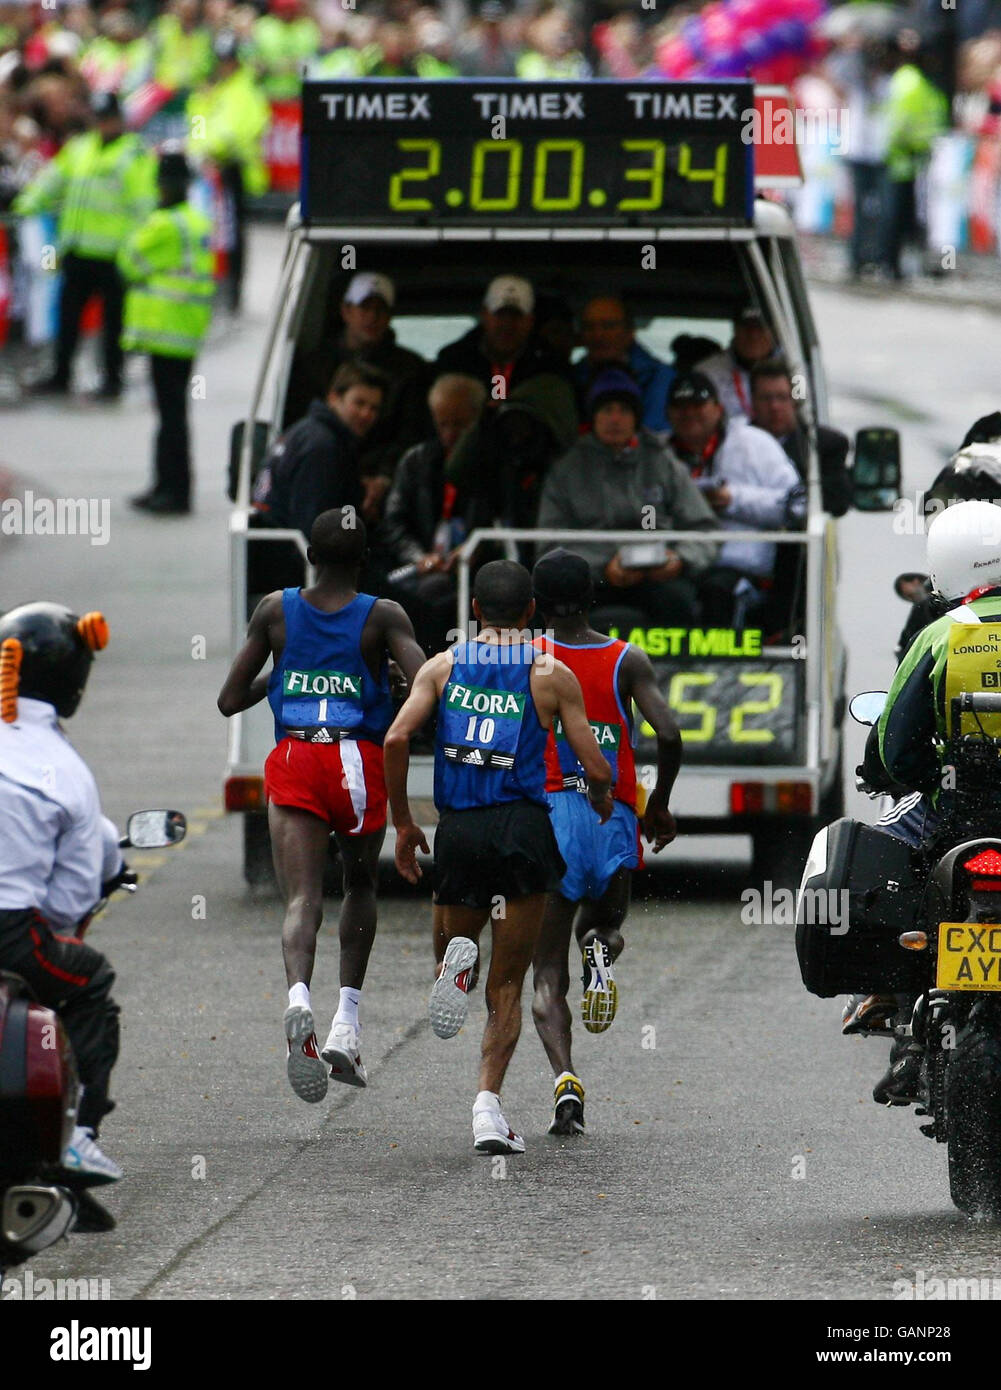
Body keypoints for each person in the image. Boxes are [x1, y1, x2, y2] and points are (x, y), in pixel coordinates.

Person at [383, 560, 614, 1154]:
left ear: (475, 610)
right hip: (523, 832)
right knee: (508, 983)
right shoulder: (550, 673)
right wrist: (602, 796)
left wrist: (404, 822)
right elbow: (594, 765)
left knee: (451, 946)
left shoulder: (442, 667)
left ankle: (454, 967)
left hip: (461, 829)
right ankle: (488, 1110)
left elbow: (396, 738)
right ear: (531, 612)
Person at [217, 509, 425, 1100]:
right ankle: (345, 1026)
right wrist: (390, 682)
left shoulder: (275, 610)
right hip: (356, 762)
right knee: (359, 883)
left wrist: (285, 674)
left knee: (302, 897)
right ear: (365, 561)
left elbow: (230, 699)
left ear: (310, 557)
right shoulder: (384, 615)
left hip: (297, 758)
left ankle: (298, 1000)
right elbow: (430, 686)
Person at [849, 500, 1001, 1102]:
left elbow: (895, 748)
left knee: (890, 868)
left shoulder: (940, 635)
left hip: (957, 814)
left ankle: (900, 1016)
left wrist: (923, 777)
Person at [530, 550, 680, 1135]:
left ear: (536, 604)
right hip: (612, 815)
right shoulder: (626, 659)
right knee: (604, 926)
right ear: (594, 596)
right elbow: (669, 732)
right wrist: (658, 803)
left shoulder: (530, 658)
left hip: (552, 817)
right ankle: (600, 950)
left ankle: (565, 1079)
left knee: (546, 971)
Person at [0, 603, 126, 1183]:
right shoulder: (63, 769)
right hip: (10, 933)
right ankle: (78, 1138)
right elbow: (70, 904)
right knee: (90, 980)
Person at [537, 368, 719, 631]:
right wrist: (602, 567)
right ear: (593, 417)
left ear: (636, 418)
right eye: (606, 410)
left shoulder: (662, 460)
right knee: (560, 603)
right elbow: (548, 545)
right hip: (591, 578)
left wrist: (680, 559)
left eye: (623, 410)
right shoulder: (567, 468)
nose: (615, 419)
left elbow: (705, 529)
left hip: (658, 577)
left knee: (679, 601)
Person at [13, 90, 157, 398]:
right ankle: (61, 375)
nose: (104, 124)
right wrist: (24, 205)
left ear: (119, 120)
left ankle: (112, 381)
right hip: (77, 250)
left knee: (113, 324)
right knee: (68, 318)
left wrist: (137, 251)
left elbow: (144, 208)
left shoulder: (133, 155)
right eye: (100, 118)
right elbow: (51, 181)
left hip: (115, 254)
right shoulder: (80, 148)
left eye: (109, 119)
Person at [665, 371, 804, 628]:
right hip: (677, 563)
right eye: (681, 407)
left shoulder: (754, 443)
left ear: (718, 409)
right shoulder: (659, 453)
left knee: (718, 593)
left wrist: (732, 499)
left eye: (698, 405)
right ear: (668, 413)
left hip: (739, 567)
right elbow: (645, 512)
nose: (689, 414)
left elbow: (797, 505)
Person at [119, 146, 215, 516]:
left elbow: (129, 262)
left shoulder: (162, 224)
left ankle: (172, 492)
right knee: (173, 414)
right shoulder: (197, 221)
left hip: (164, 330)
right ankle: (168, 486)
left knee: (169, 416)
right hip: (187, 329)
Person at [284, 271, 429, 502]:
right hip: (322, 472)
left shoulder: (411, 370)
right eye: (365, 308)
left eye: (380, 310)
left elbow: (412, 433)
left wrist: (384, 479)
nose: (372, 317)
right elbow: (298, 424)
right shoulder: (314, 364)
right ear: (346, 311)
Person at [382, 373, 485, 655]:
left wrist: (477, 548)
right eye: (443, 424)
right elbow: (394, 523)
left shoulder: (492, 465)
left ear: (476, 420)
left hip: (476, 574)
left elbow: (504, 522)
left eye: (459, 425)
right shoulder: (415, 461)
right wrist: (419, 558)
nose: (450, 433)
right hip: (422, 571)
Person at [254, 360, 387, 539]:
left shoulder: (302, 432)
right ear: (334, 398)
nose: (366, 414)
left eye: (374, 408)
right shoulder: (323, 448)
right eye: (359, 403)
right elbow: (315, 529)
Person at [186, 30, 270, 314]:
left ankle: (232, 291)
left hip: (233, 171)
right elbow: (197, 125)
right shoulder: (209, 92)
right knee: (207, 229)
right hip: (207, 172)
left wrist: (210, 150)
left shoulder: (246, 91)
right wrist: (200, 150)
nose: (226, 65)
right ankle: (209, 285)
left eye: (230, 60)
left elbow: (238, 132)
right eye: (222, 60)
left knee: (232, 234)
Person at [434, 275, 573, 404]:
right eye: (500, 315)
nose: (507, 325)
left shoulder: (551, 368)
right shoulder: (453, 363)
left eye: (516, 316)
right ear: (484, 315)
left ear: (530, 320)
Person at [750, 360, 852, 518]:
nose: (774, 406)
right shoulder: (736, 443)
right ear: (752, 402)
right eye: (766, 398)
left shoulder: (824, 445)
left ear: (795, 402)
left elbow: (838, 502)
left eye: (782, 397)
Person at [574, 295, 674, 432]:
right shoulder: (570, 378)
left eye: (608, 326)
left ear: (630, 332)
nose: (598, 335)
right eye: (589, 327)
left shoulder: (660, 378)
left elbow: (655, 434)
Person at [695, 307, 777, 424]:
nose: (753, 336)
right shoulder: (705, 373)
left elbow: (801, 405)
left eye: (760, 328)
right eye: (747, 329)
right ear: (735, 330)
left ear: (773, 331)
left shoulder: (795, 369)